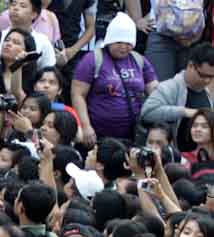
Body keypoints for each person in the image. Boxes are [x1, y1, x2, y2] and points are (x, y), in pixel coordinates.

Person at [72, 12, 159, 145]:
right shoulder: (92, 59)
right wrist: (85, 126)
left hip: (133, 135)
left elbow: (155, 91)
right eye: (119, 42)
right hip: (99, 135)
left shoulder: (139, 60)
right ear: (110, 40)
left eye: (128, 43)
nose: (124, 47)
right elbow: (78, 94)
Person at [140, 43, 214, 150]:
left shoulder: (208, 92)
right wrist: (184, 112)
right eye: (203, 75)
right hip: (176, 159)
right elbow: (147, 113)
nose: (207, 80)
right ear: (191, 66)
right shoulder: (169, 88)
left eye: (211, 77)